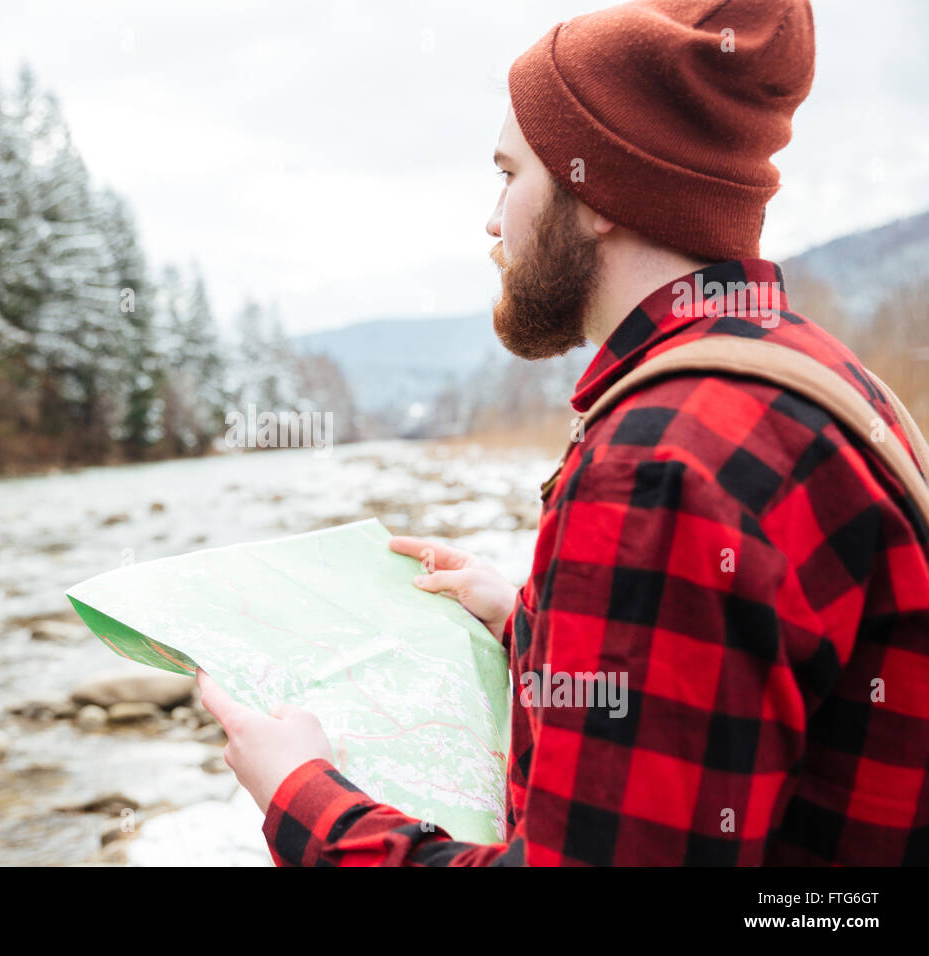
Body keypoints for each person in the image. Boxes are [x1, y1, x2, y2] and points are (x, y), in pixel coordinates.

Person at [197, 0, 929, 865]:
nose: (491, 220)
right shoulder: (830, 381)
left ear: (598, 192)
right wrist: (531, 622)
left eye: (510, 174)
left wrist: (304, 797)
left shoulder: (659, 465)